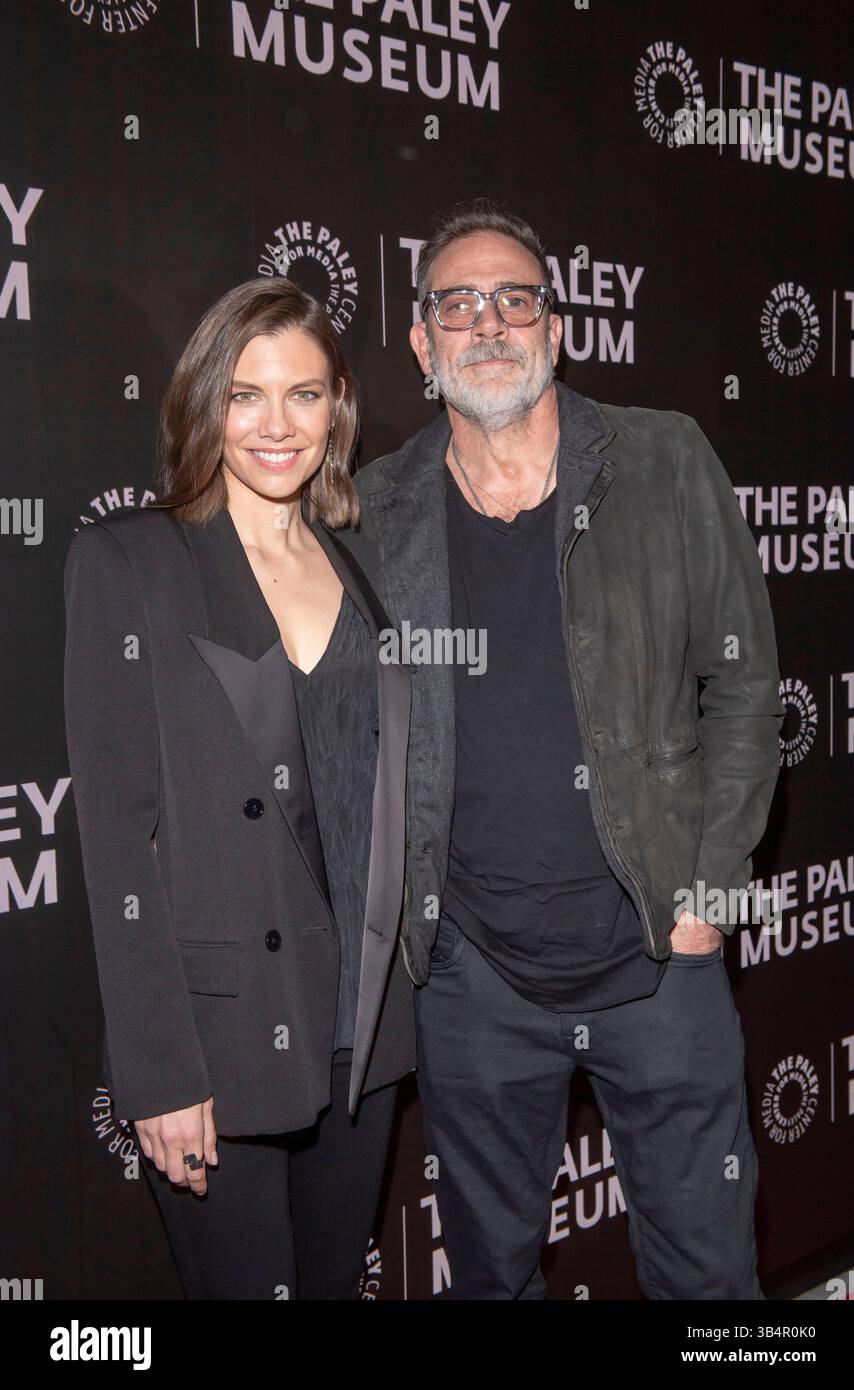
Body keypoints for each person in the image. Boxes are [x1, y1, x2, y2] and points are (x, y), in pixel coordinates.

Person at [353, 198, 784, 1300]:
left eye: (514, 299)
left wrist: (708, 898)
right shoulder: (375, 508)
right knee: (488, 1277)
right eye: (457, 303)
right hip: (473, 978)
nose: (487, 322)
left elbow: (743, 686)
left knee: (707, 1274)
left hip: (656, 955)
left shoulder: (659, 458)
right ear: (421, 343)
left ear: (555, 329)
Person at [63, 277, 415, 1300]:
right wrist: (161, 1070)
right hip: (222, 1040)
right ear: (205, 401)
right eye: (246, 394)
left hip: (360, 1029)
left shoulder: (361, 562)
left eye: (303, 395)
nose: (276, 424)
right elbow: (119, 840)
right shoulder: (132, 561)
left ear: (336, 410)